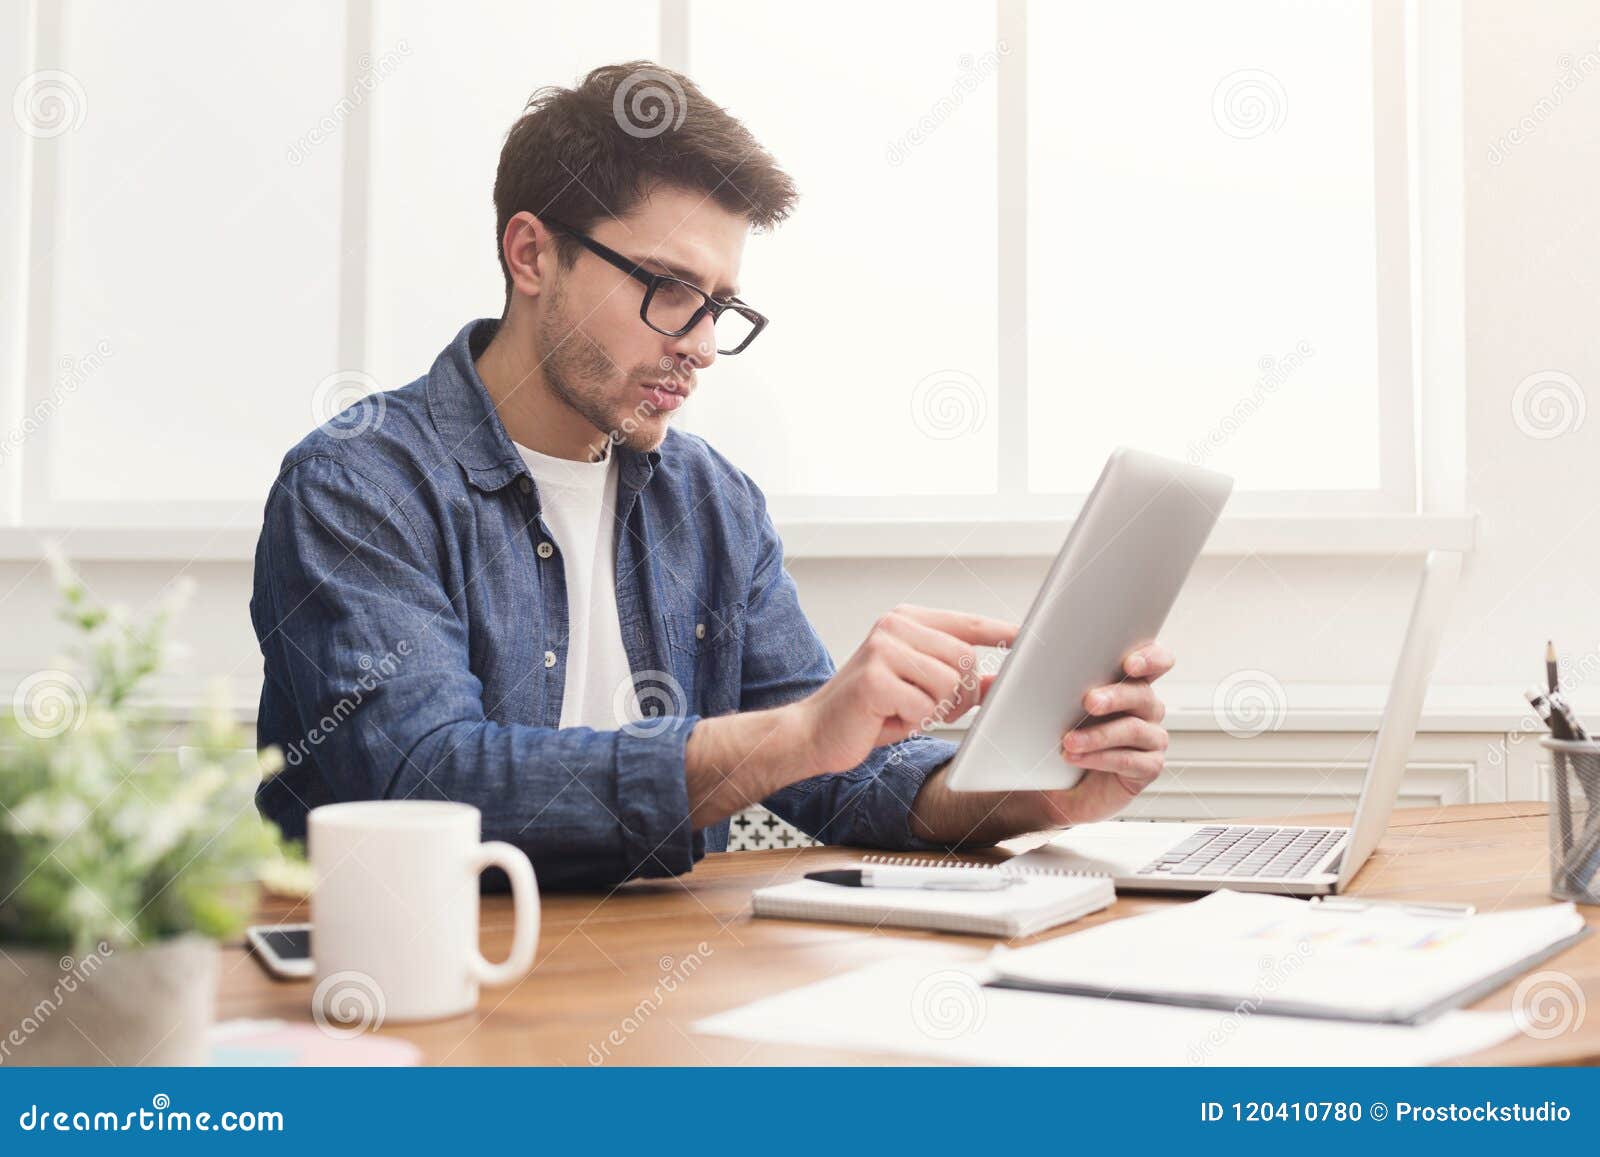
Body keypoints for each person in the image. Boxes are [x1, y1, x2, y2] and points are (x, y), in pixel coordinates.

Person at [250, 62, 1173, 889]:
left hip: (670, 989)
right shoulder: (356, 486)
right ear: (531, 254)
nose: (699, 346)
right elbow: (427, 784)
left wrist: (1036, 796)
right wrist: (796, 735)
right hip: (415, 992)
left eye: (719, 307)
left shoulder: (711, 501)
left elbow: (837, 780)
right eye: (668, 289)